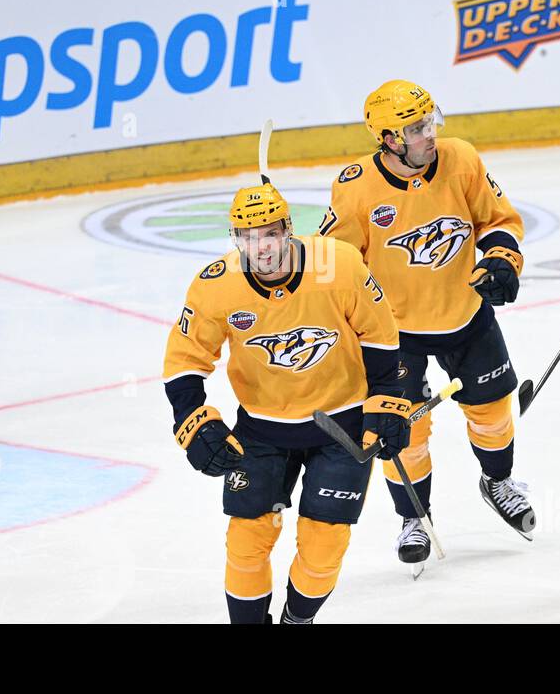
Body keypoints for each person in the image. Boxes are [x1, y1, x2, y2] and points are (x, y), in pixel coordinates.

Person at [162, 181, 407, 623]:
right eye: (250, 238)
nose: (263, 248)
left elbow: (381, 335)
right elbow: (184, 360)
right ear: (236, 241)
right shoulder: (215, 286)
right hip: (261, 430)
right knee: (246, 540)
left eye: (271, 234)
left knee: (324, 545)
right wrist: (193, 421)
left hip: (342, 428)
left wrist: (387, 401)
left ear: (289, 229)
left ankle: (298, 619)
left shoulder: (338, 264)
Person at [320, 79, 534, 568]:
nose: (429, 134)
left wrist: (502, 257)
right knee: (406, 434)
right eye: (416, 128)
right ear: (390, 139)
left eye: (429, 121)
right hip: (395, 334)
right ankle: (415, 516)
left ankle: (498, 482)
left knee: (495, 413)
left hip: (466, 314)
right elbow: (338, 263)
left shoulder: (461, 158)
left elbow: (497, 219)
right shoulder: (356, 188)